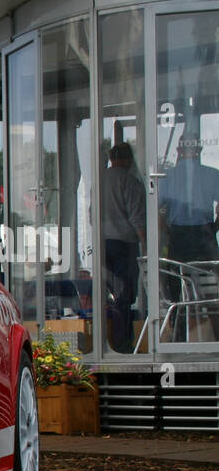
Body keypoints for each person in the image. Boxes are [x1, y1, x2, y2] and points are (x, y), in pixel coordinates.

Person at [101, 143, 147, 353]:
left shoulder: (100, 180)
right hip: (125, 243)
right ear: (129, 160)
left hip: (104, 243)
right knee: (124, 295)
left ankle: (109, 340)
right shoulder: (130, 182)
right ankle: (122, 342)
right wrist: (146, 246)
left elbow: (93, 214)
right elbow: (137, 217)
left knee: (110, 293)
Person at [160, 138, 219, 262]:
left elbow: (155, 208)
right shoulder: (212, 174)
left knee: (177, 275)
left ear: (178, 151)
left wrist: (166, 231)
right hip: (205, 231)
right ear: (200, 150)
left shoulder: (167, 176)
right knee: (208, 274)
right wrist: (214, 228)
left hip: (178, 232)